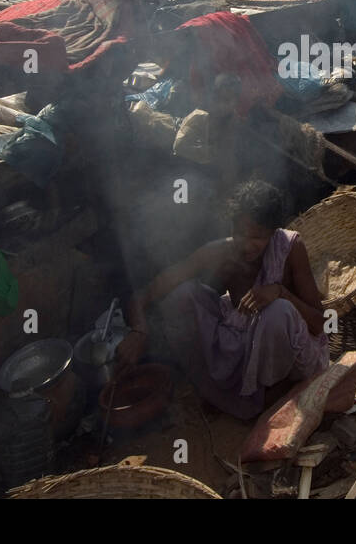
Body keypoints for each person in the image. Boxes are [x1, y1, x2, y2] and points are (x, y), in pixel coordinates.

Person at [115, 180, 328, 420]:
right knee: (181, 297)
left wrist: (280, 292)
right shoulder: (218, 253)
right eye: (239, 233)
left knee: (276, 312)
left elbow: (320, 324)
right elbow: (147, 292)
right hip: (244, 345)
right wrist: (139, 330)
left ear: (273, 232)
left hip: (292, 357)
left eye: (256, 236)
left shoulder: (290, 248)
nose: (246, 245)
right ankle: (222, 391)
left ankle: (276, 389)